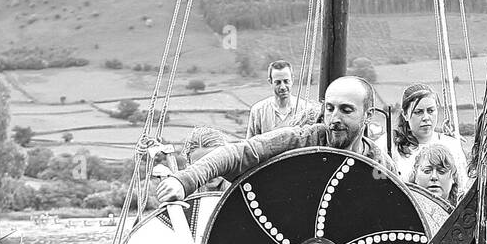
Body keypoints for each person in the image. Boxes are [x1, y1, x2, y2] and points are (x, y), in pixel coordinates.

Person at [155, 76, 394, 203]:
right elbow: (239, 152)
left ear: (368, 115)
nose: (334, 118)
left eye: (346, 110)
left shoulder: (382, 165)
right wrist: (184, 181)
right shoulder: (301, 140)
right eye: (330, 108)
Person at [392, 84, 469, 190]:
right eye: (418, 112)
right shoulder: (390, 145)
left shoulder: (452, 146)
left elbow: (462, 187)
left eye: (430, 111)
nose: (426, 118)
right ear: (405, 114)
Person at [246, 60, 313, 137]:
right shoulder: (258, 111)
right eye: (278, 82)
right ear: (270, 82)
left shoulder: (306, 109)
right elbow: (250, 145)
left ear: (292, 80)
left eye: (286, 81)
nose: (283, 87)